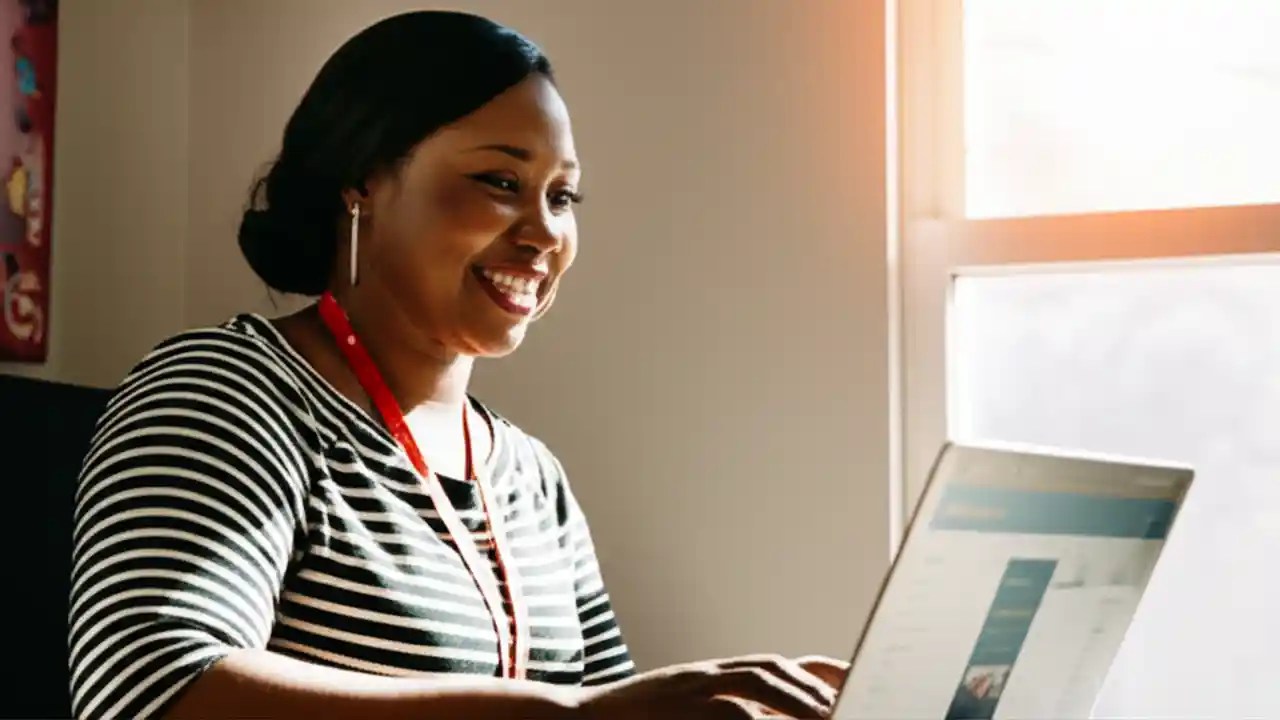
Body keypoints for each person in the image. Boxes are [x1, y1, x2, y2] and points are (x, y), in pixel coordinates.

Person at [67, 11, 847, 720]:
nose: (544, 234)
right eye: (501, 183)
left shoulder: (531, 478)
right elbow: (152, 687)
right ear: (363, 184)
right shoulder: (228, 389)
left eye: (564, 197)